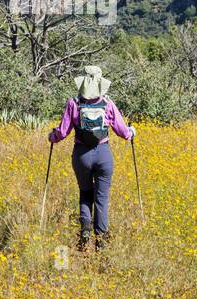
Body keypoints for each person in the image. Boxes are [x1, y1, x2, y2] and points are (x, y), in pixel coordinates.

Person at [48, 65, 135, 251]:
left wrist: (52, 137)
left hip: (81, 155)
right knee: (101, 199)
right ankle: (101, 242)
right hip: (103, 154)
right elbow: (122, 132)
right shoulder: (108, 103)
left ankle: (85, 231)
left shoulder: (74, 103)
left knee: (85, 194)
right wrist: (131, 132)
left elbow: (62, 132)